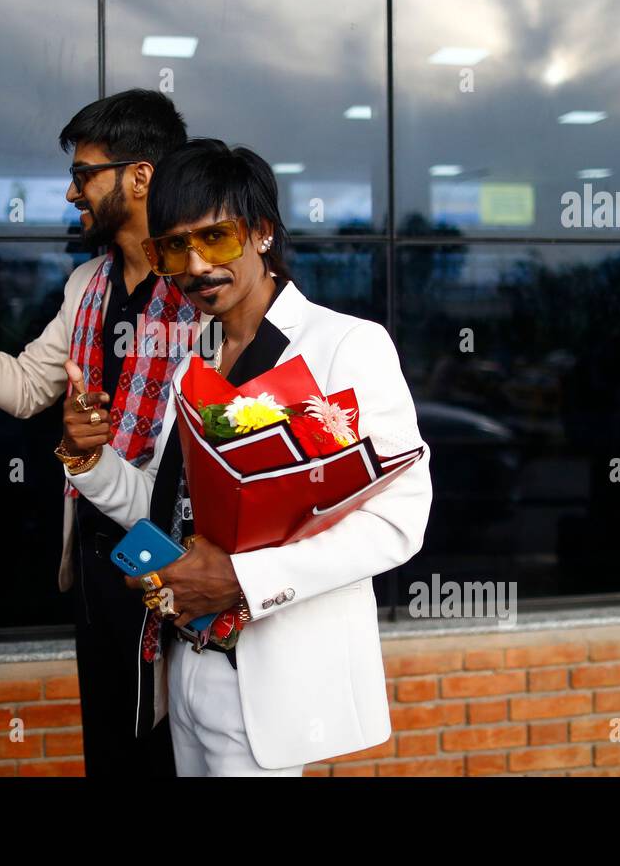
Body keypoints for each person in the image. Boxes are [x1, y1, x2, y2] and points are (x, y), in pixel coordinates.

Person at [59, 138, 433, 775]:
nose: (198, 265)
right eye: (174, 248)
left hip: (271, 684)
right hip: (183, 669)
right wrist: (86, 458)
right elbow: (162, 504)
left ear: (261, 233)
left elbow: (399, 523)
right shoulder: (190, 362)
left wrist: (242, 581)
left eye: (217, 238)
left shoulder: (347, 345)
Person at [0, 90, 200, 777]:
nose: (72, 191)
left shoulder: (203, 290)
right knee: (112, 757)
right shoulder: (88, 284)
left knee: (173, 760)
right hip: (94, 565)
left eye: (85, 174)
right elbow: (27, 387)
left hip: (175, 570)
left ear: (140, 177)